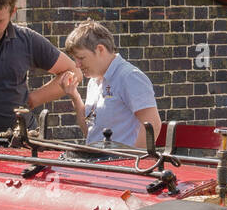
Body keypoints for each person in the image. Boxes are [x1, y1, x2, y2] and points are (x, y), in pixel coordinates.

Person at [0, 0, 84, 137]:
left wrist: (32, 100)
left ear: (13, 12)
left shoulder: (26, 40)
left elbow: (73, 71)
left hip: (20, 141)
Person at [61, 20, 162, 149]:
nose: (77, 65)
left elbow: (152, 124)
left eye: (81, 58)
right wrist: (74, 96)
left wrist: (132, 163)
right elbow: (91, 132)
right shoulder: (94, 81)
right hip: (98, 163)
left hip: (120, 165)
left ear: (100, 49)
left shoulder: (129, 76)